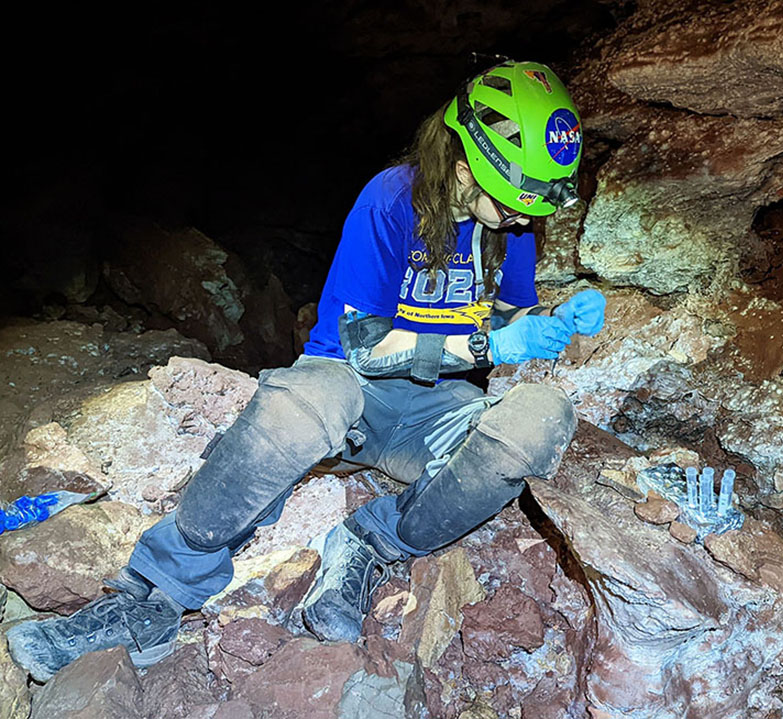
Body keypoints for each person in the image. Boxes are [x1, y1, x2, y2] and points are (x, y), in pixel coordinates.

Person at [6, 60, 606, 682]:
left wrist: (550, 318)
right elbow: (363, 345)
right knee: (297, 407)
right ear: (463, 167)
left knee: (543, 418)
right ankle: (153, 596)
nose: (519, 219)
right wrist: (494, 346)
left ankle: (374, 543)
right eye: (509, 204)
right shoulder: (392, 200)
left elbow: (508, 308)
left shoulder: (509, 228)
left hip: (435, 412)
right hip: (351, 393)